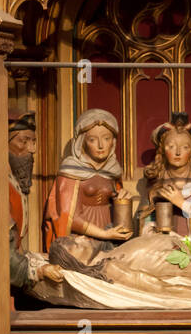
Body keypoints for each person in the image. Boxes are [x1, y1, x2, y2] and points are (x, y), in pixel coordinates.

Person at [43, 108, 134, 251]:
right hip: (81, 240)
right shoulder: (71, 171)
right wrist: (104, 234)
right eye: (92, 139)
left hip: (110, 233)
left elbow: (118, 210)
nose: (100, 145)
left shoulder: (112, 170)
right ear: (82, 142)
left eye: (106, 138)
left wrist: (123, 200)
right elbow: (68, 218)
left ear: (113, 141)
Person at [137, 112, 191, 240]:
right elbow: (144, 218)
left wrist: (182, 204)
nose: (178, 152)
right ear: (162, 149)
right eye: (171, 146)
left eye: (185, 147)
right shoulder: (156, 180)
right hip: (164, 244)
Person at [8, 109, 64, 293]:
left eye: (34, 142)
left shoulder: (14, 183)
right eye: (24, 141)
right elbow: (0, 253)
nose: (33, 149)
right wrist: (37, 270)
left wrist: (35, 258)